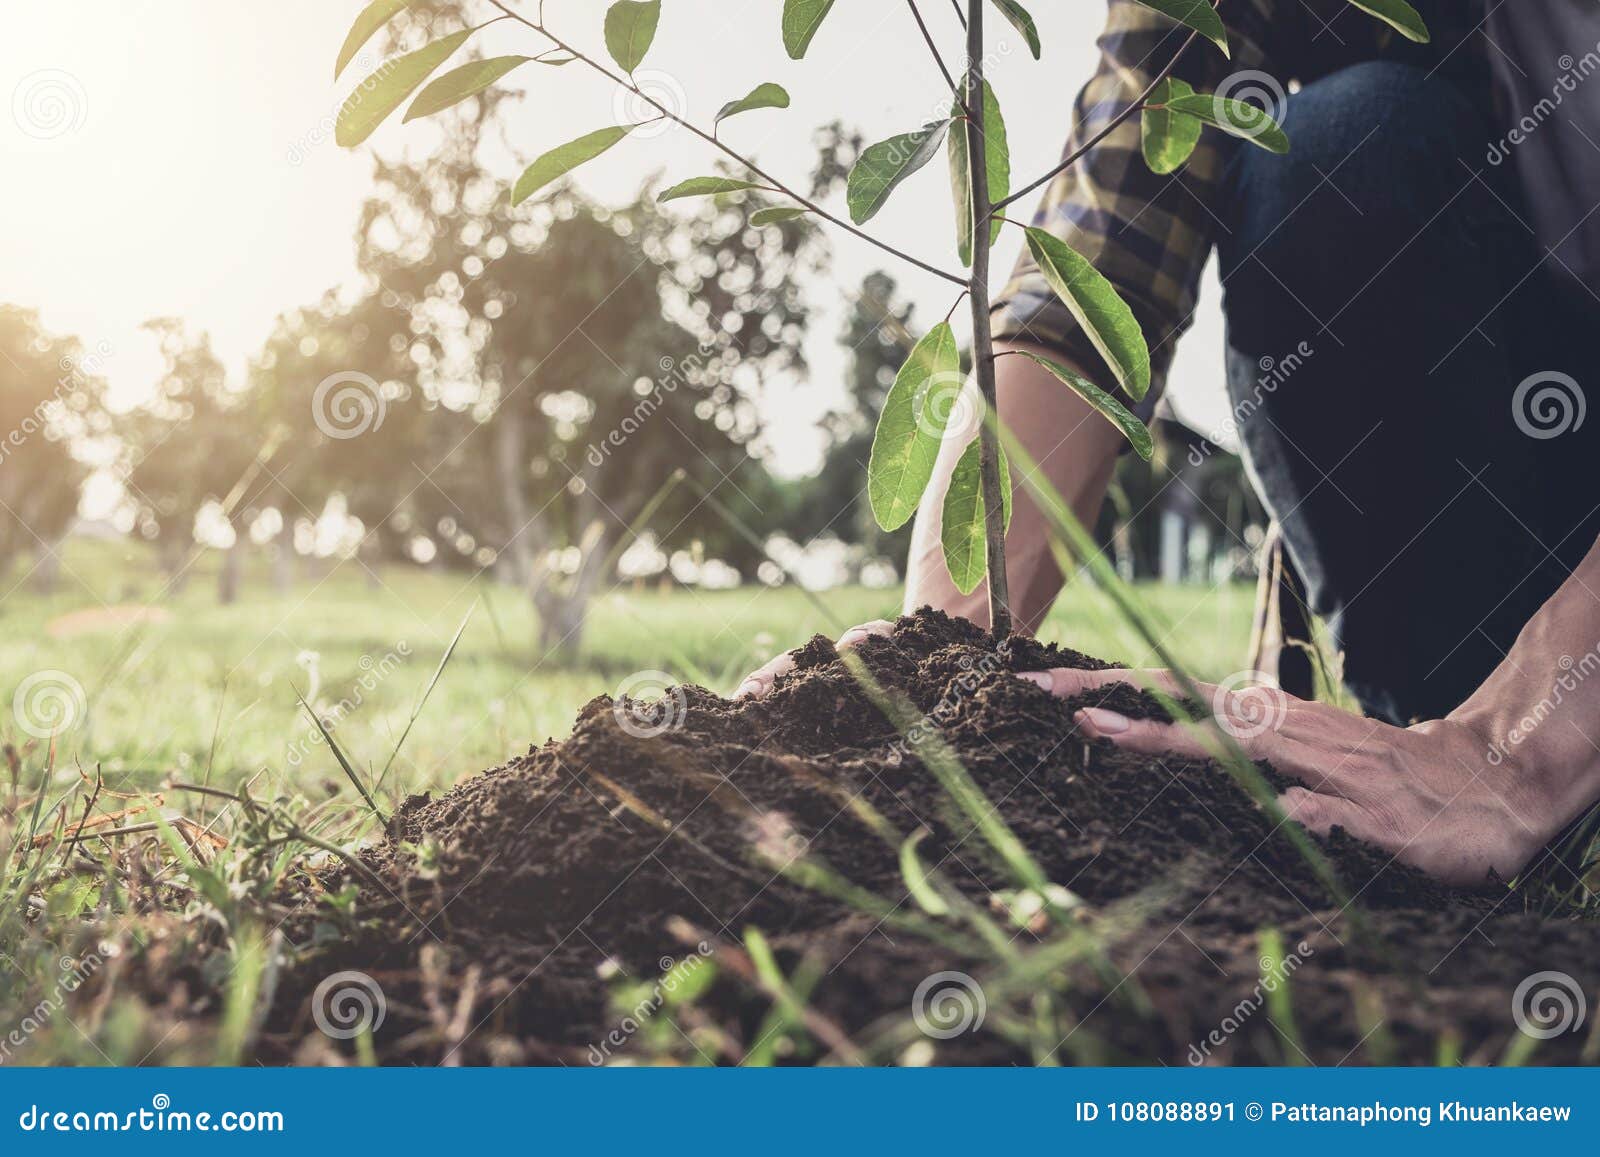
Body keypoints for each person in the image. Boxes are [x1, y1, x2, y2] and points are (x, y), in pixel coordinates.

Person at [737, 0, 1600, 886]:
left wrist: (1514, 751)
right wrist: (944, 667)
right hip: (1504, 512)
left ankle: (1535, 767)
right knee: (1343, 149)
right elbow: (1103, 261)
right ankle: (1438, 732)